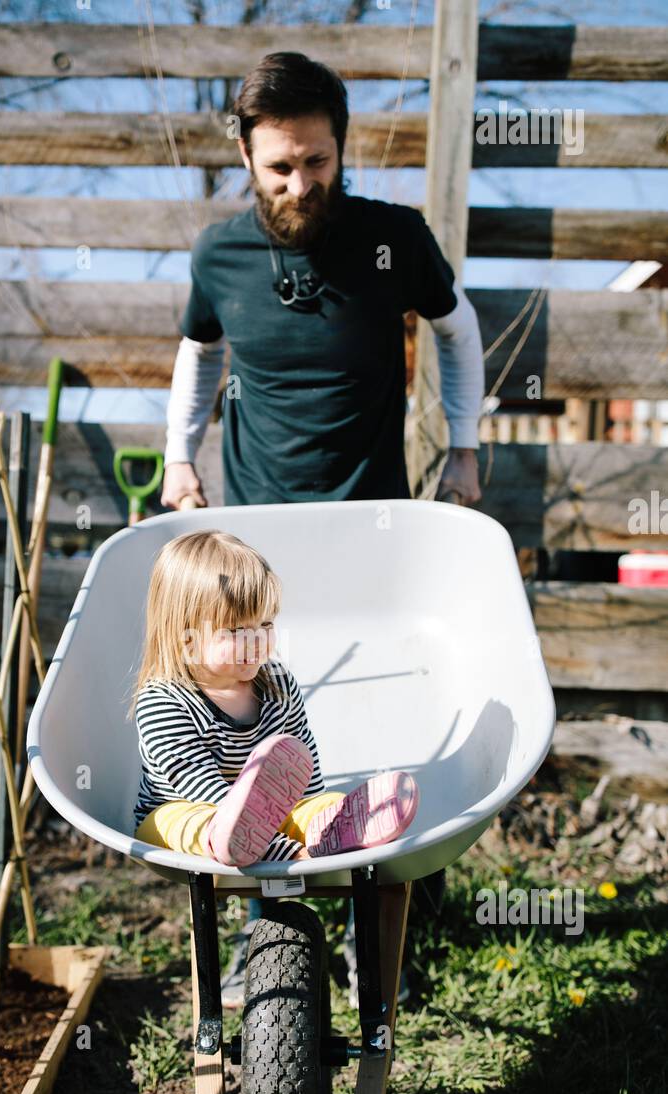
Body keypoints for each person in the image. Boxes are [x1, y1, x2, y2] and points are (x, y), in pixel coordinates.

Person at [158, 51, 485, 1003]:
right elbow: (197, 353)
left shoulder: (392, 240)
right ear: (248, 161)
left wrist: (463, 447)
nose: (302, 184)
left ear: (340, 148)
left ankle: (375, 928)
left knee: (371, 715)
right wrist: (181, 459)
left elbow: (458, 331)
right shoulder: (220, 255)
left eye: (319, 162)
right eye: (281, 168)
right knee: (260, 729)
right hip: (258, 538)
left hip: (369, 529)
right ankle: (274, 930)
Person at [128, 530, 420, 866]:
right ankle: (269, 843)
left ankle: (337, 829)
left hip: (267, 816)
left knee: (320, 807)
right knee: (184, 822)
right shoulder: (164, 702)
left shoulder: (277, 684)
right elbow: (199, 784)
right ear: (185, 636)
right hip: (187, 817)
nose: (256, 640)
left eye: (265, 623)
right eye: (236, 631)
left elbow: (302, 757)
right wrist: (285, 849)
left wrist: (312, 811)